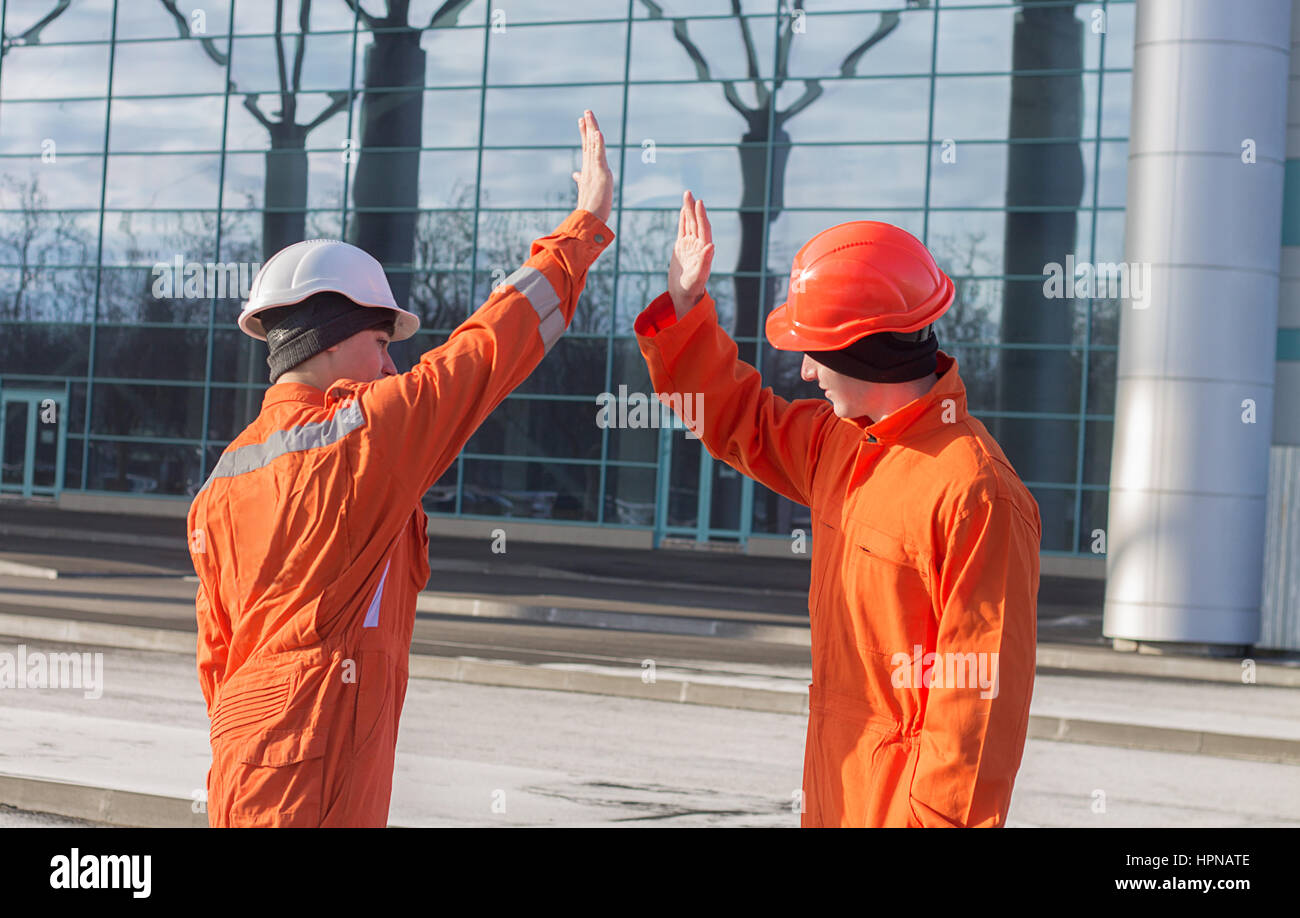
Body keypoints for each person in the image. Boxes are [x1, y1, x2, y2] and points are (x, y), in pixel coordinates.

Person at [186, 111, 615, 828]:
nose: (391, 364)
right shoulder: (362, 437)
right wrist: (584, 226)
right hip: (316, 777)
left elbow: (217, 658)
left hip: (250, 767)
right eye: (380, 341)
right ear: (325, 340)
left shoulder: (220, 484)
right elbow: (487, 351)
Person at [634, 192, 1041, 827]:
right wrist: (685, 307)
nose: (803, 371)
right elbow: (737, 417)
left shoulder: (977, 494)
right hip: (834, 789)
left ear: (865, 349)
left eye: (815, 351)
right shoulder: (840, 442)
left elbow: (976, 715)